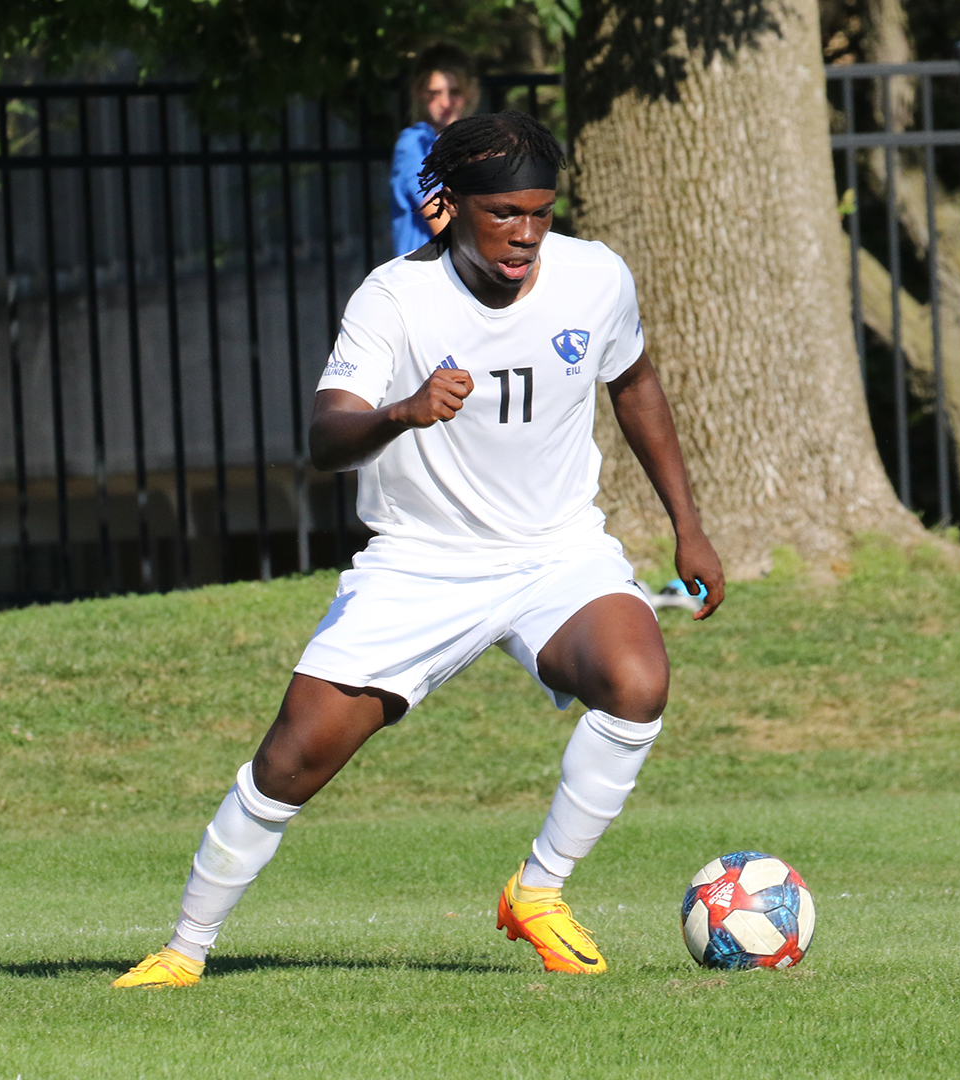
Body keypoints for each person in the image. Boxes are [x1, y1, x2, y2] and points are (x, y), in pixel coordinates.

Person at [114, 110, 725, 988]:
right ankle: (184, 949)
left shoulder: (597, 278)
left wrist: (688, 524)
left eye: (541, 213)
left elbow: (634, 386)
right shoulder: (395, 298)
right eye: (503, 214)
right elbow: (325, 437)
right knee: (295, 757)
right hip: (422, 562)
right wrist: (402, 411)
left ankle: (538, 893)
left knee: (638, 680)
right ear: (447, 206)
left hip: (556, 551)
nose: (525, 236)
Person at [388, 44, 476, 257]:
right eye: (434, 93)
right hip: (426, 271)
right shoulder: (414, 143)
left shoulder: (471, 143)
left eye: (455, 92)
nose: (445, 102)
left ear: (471, 91)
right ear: (417, 92)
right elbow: (439, 216)